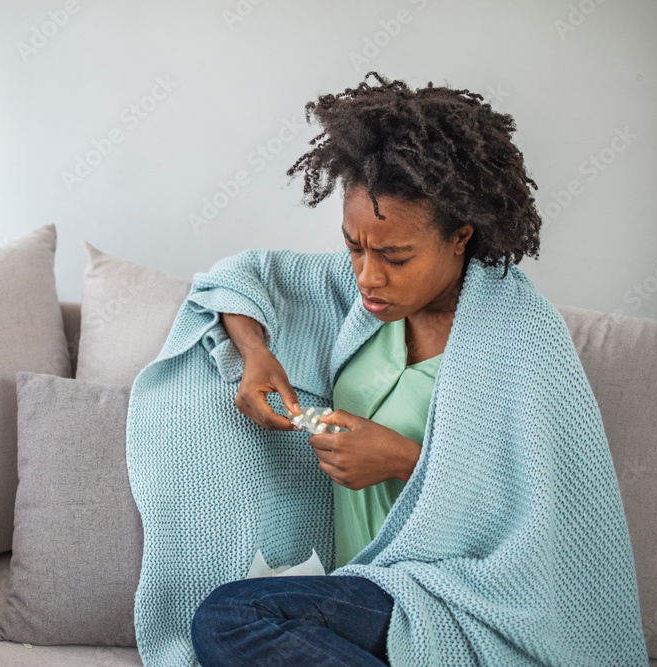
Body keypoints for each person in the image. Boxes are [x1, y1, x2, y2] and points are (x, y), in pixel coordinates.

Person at [190, 71, 543, 665]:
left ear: (461, 237)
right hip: (368, 588)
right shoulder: (361, 301)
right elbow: (233, 278)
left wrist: (403, 459)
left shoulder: (517, 337)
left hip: (457, 598)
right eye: (355, 247)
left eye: (396, 256)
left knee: (230, 617)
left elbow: (537, 519)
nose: (368, 276)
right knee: (225, 616)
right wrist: (255, 354)